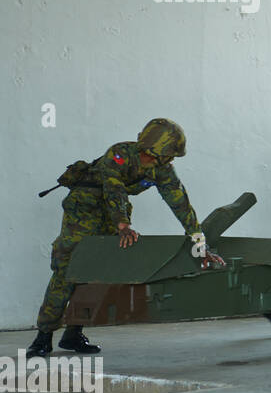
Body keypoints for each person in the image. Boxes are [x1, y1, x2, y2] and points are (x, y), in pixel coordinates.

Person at [29, 118, 215, 357]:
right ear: (153, 150)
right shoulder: (119, 154)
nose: (170, 161)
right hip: (84, 209)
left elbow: (181, 204)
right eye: (168, 155)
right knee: (68, 269)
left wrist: (199, 243)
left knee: (99, 272)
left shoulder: (163, 170)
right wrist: (123, 224)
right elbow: (113, 189)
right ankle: (43, 337)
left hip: (114, 215)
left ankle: (73, 333)